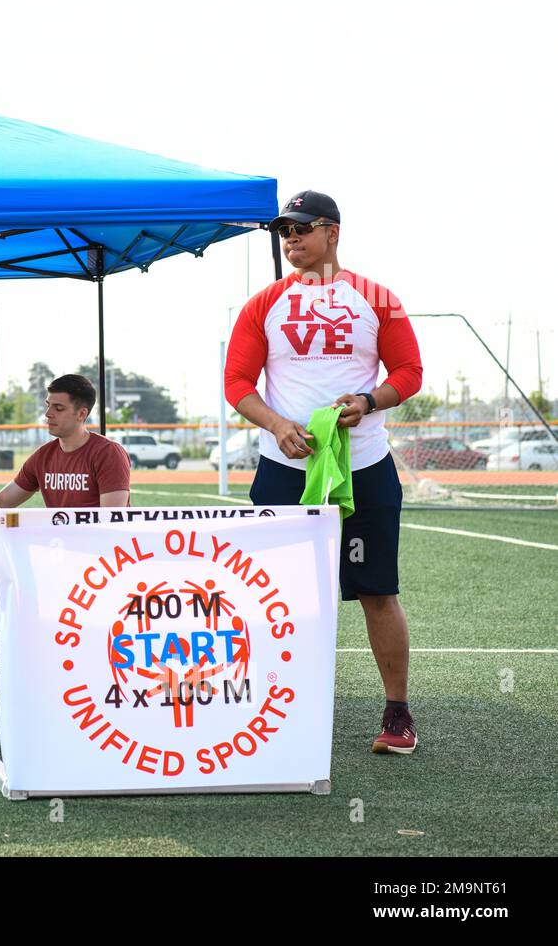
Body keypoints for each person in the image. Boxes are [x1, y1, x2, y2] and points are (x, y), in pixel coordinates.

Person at [224, 190, 423, 755]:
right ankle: (269, 711)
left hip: (362, 467)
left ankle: (398, 716)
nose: (290, 239)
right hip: (284, 472)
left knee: (377, 592)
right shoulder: (263, 303)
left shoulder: (377, 299)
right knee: (270, 594)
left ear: (331, 232)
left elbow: (409, 371)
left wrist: (369, 399)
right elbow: (237, 383)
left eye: (301, 228)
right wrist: (278, 424)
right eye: (284, 230)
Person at [0, 373, 132, 697]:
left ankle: (40, 668)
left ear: (81, 415)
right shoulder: (44, 455)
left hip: (98, 563)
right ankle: (21, 661)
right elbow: (1, 500)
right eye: (47, 406)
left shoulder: (107, 453)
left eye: (57, 408)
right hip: (54, 556)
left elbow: (111, 520)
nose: (48, 414)